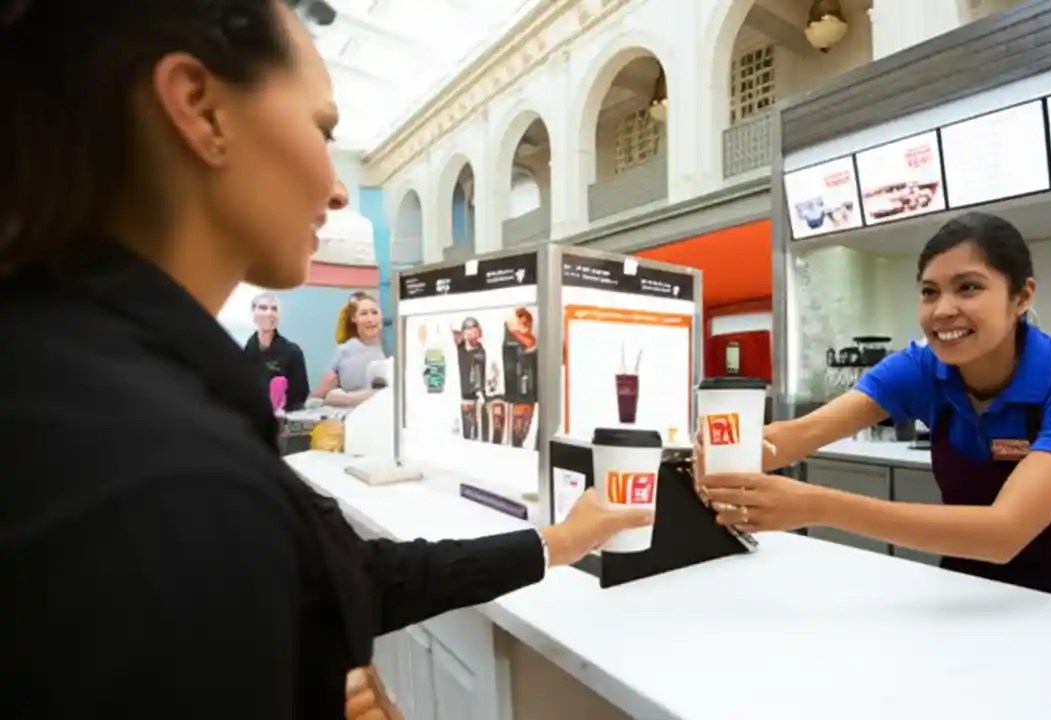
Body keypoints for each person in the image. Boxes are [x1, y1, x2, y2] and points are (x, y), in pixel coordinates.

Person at [0, 2, 651, 718]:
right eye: (323, 130)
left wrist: (557, 540)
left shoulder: (92, 385)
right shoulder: (165, 474)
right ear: (199, 108)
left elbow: (331, 577)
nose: (339, 189)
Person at [696, 212, 1051, 616]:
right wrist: (728, 454)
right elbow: (799, 435)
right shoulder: (921, 368)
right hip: (969, 588)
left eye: (969, 287)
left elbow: (1004, 531)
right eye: (929, 292)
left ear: (1022, 297)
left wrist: (818, 505)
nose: (943, 310)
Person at [311, 290, 387, 407]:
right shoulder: (344, 351)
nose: (370, 319)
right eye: (364, 314)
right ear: (353, 318)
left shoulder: (393, 348)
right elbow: (321, 394)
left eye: (374, 312)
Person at [243, 290, 311, 411]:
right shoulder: (242, 352)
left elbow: (300, 395)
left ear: (279, 316)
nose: (269, 313)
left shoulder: (292, 352)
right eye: (263, 308)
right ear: (253, 312)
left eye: (274, 309)